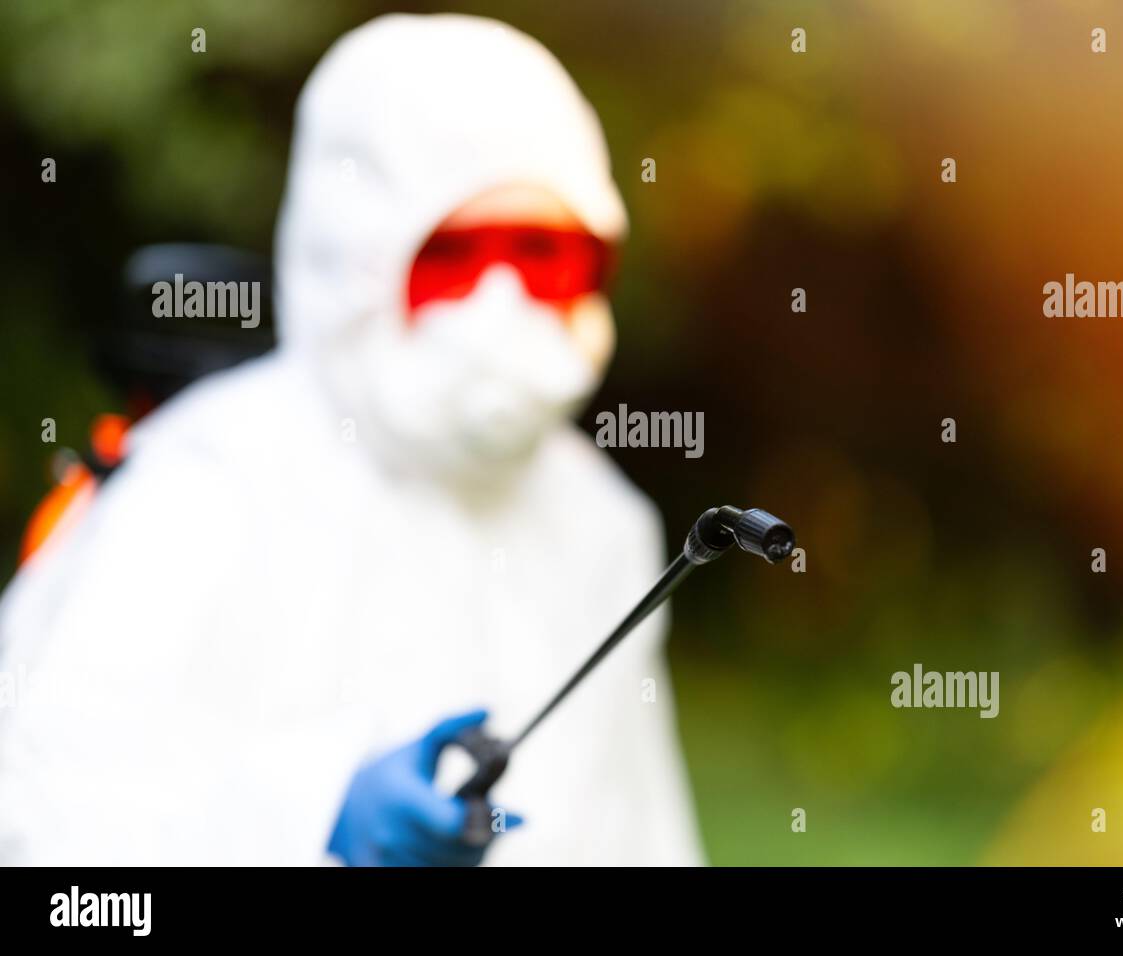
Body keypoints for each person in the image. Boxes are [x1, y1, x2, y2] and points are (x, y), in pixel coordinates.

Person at [0, 13, 702, 866]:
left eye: (544, 254)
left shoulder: (599, 520)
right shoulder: (203, 479)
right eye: (455, 253)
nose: (505, 303)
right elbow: (48, 829)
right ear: (354, 253)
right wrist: (309, 819)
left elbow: (643, 835)